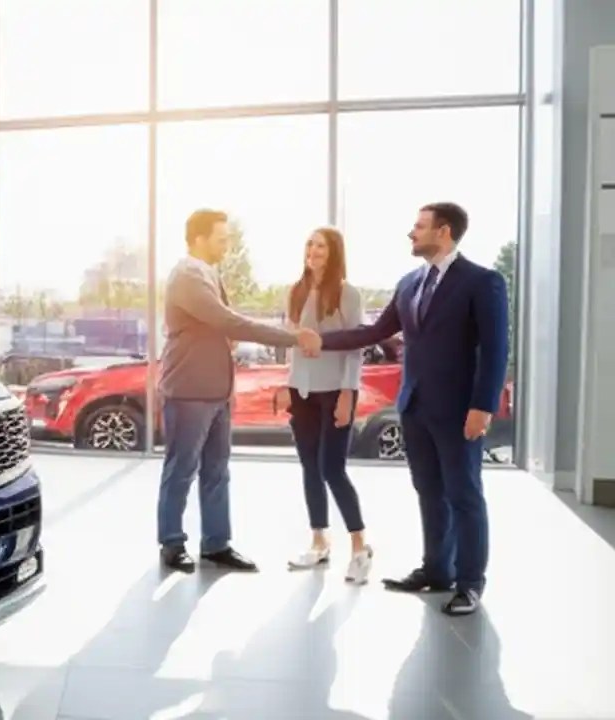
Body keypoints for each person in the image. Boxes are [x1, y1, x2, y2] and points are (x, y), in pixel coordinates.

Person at [300, 202, 509, 615]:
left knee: (464, 494)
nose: (411, 233)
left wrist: (483, 405)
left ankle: (469, 583)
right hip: (414, 407)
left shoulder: (482, 282)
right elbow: (377, 331)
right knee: (429, 492)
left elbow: (496, 348)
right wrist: (324, 341)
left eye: (419, 226)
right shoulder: (410, 283)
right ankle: (436, 571)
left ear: (443, 232)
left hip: (458, 410)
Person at [157, 208, 318, 573]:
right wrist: (292, 338)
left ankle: (216, 544)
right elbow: (228, 321)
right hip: (189, 390)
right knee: (182, 469)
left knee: (217, 469)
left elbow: (223, 329)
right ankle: (171, 543)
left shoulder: (209, 273)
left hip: (216, 390)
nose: (227, 245)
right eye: (221, 238)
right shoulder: (187, 274)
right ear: (198, 238)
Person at [277, 227, 373, 584]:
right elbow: (293, 344)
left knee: (332, 469)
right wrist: (288, 384)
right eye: (309, 245)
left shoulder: (348, 294)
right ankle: (319, 541)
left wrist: (348, 393)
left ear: (333, 253)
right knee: (309, 468)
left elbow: (354, 346)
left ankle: (360, 546)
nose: (313, 251)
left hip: (335, 391)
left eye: (321, 246)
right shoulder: (297, 291)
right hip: (301, 392)